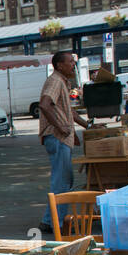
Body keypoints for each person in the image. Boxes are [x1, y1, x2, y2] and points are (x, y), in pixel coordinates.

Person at [37, 51, 90, 235]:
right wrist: (61, 127)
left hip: (60, 137)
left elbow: (70, 113)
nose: (73, 65)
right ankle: (55, 222)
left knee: (63, 179)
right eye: (70, 62)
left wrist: (87, 125)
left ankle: (48, 220)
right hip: (57, 137)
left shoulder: (62, 83)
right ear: (59, 65)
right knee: (62, 181)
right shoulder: (55, 81)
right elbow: (44, 104)